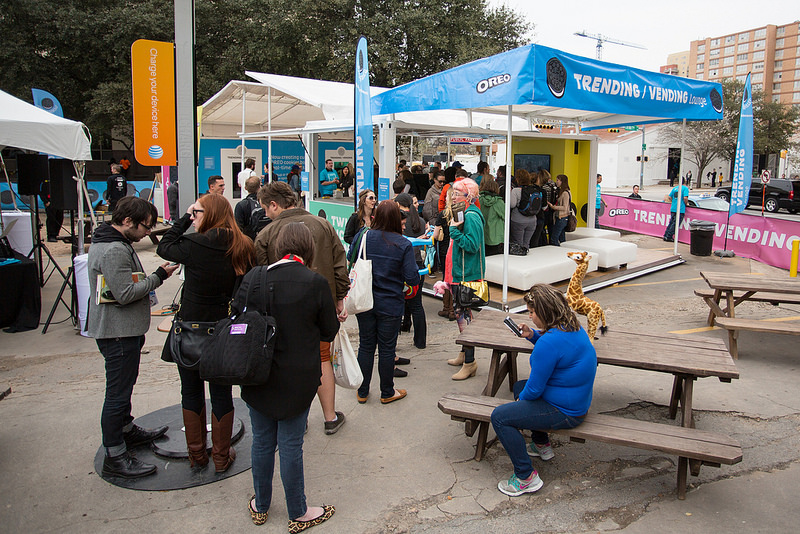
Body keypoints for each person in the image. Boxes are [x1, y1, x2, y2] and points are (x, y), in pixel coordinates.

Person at [237, 222, 339, 529]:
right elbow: (329, 330)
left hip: (256, 372)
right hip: (298, 376)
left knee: (262, 441)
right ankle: (298, 511)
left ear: (279, 247)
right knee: (291, 443)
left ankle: (261, 504)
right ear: (307, 250)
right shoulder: (315, 283)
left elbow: (238, 316)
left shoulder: (255, 277)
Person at [157, 193, 255, 473]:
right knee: (221, 392)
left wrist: (184, 218)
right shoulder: (242, 245)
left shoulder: (194, 244)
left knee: (190, 390)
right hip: (223, 329)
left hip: (189, 328)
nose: (194, 215)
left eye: (198, 212)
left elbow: (164, 246)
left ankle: (197, 454)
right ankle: (221, 457)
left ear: (209, 214)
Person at [87, 197, 178, 478]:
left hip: (122, 330)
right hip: (118, 332)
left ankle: (126, 430)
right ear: (127, 222)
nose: (147, 233)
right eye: (145, 227)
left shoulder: (111, 243)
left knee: (123, 387)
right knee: (117, 394)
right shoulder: (114, 250)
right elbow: (125, 293)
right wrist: (158, 276)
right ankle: (115, 454)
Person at [255, 182, 349, 435]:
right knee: (322, 359)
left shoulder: (267, 233)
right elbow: (340, 262)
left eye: (266, 208)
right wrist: (340, 297)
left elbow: (261, 275)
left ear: (274, 204)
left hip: (279, 314)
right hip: (321, 306)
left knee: (284, 361)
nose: (265, 214)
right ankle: (330, 417)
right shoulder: (324, 225)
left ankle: (298, 418)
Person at [490, 283, 597, 496]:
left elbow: (535, 389)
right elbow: (556, 348)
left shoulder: (548, 344)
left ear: (545, 312)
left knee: (501, 417)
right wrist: (532, 335)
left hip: (566, 412)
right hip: (577, 402)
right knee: (519, 386)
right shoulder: (573, 327)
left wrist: (519, 404)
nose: (530, 317)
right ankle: (541, 444)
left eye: (531, 312)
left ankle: (525, 477)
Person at [351, 200, 419, 404]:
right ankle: (387, 392)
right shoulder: (403, 243)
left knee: (366, 346)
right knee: (387, 349)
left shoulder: (362, 236)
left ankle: (362, 391)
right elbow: (413, 278)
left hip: (365, 300)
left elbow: (351, 259)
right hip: (391, 303)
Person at [446, 178, 485, 380]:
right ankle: (464, 354)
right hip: (459, 272)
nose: (453, 196)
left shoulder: (471, 215)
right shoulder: (463, 211)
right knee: (461, 314)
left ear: (468, 196)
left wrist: (453, 231)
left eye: (457, 193)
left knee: (464, 317)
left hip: (467, 275)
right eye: (453, 193)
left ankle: (470, 362)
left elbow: (472, 245)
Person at [396, 193, 427, 352]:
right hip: (418, 264)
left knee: (398, 302)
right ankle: (420, 341)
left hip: (402, 265)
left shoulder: (398, 221)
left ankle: (393, 342)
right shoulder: (420, 221)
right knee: (417, 304)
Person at [509, 169, 539, 248]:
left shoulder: (516, 191)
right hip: (532, 220)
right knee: (526, 243)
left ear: (517, 179)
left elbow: (512, 205)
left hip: (518, 220)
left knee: (518, 244)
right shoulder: (534, 190)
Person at [478, 178, 505, 256]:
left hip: (482, 235)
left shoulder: (479, 200)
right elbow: (505, 216)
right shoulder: (499, 202)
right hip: (495, 237)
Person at [548, 174, 571, 246]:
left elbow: (565, 207)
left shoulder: (565, 193)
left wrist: (554, 207)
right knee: (562, 239)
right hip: (562, 218)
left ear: (562, 181)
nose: (556, 182)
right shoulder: (564, 192)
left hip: (562, 218)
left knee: (554, 238)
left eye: (558, 180)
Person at [663, 178, 689, 242]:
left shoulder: (674, 188)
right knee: (675, 223)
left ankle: (666, 235)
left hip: (673, 208)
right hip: (680, 209)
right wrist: (686, 203)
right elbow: (685, 197)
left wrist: (674, 201)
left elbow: (669, 197)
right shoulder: (685, 188)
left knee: (671, 222)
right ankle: (669, 236)